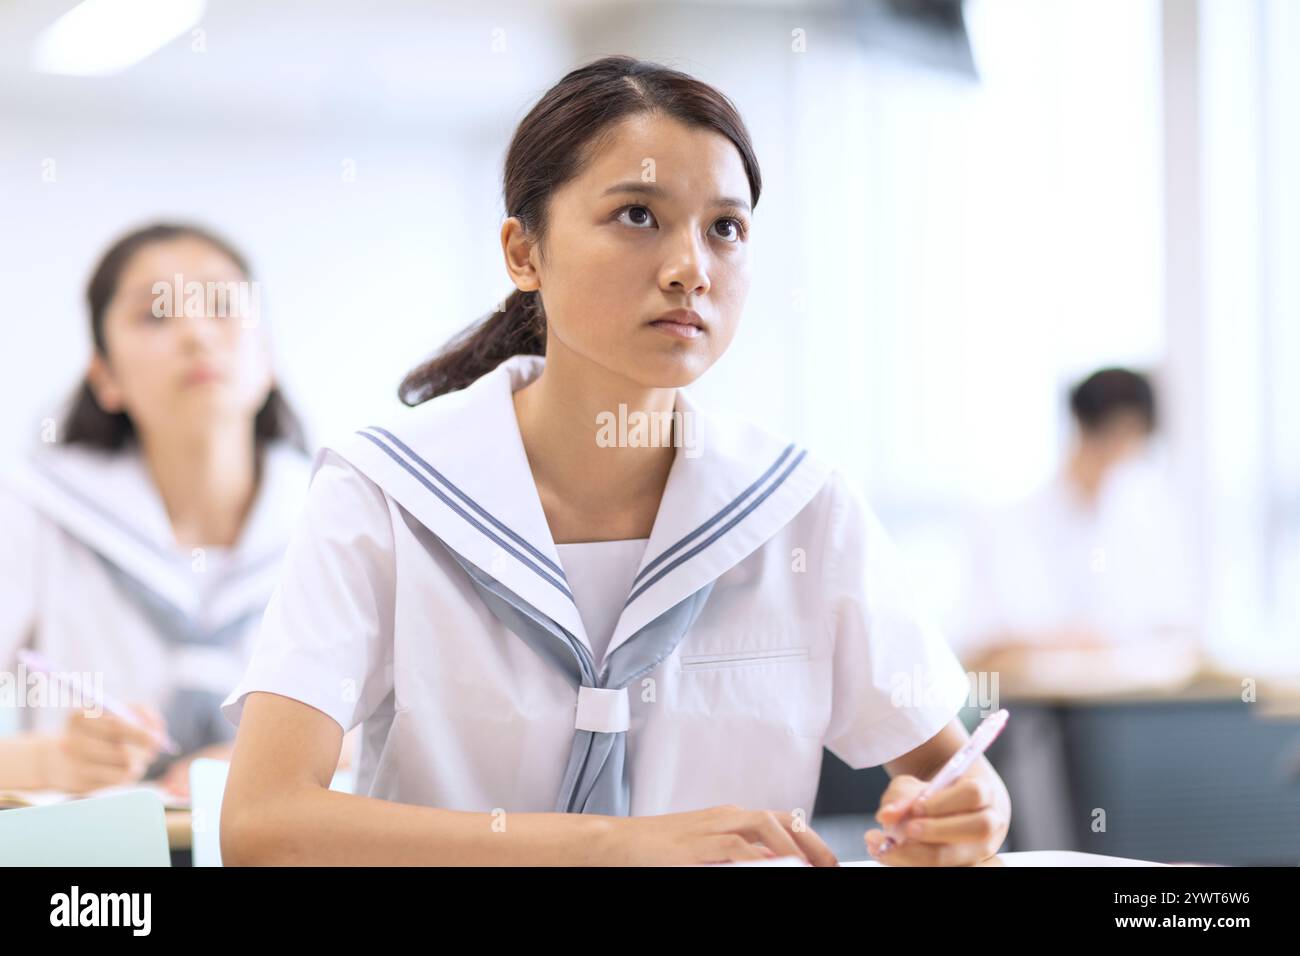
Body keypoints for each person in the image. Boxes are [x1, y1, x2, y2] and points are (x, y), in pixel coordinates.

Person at [219, 55, 1010, 867]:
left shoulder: (802, 508)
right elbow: (264, 825)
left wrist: (963, 814)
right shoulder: (382, 493)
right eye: (637, 215)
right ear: (524, 254)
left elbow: (948, 775)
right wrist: (611, 846)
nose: (690, 270)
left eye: (724, 229)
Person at [0, 222, 311, 797]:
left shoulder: (339, 513)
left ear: (266, 357)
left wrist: (300, 763)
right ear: (106, 377)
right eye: (156, 316)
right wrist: (47, 764)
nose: (197, 334)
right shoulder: (30, 511)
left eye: (222, 306)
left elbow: (402, 743)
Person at [951, 367, 1198, 683]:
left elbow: (1176, 633)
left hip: (1130, 712)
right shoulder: (1008, 526)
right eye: (1119, 436)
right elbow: (979, 653)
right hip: (1038, 716)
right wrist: (1064, 643)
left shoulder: (1149, 526)